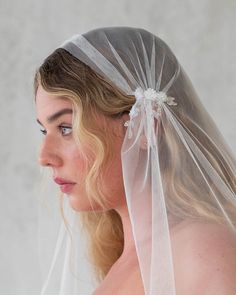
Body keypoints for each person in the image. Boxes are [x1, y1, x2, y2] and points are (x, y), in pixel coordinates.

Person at [34, 27, 236, 295]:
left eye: (66, 128)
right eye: (43, 130)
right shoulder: (125, 261)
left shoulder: (201, 252)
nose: (44, 157)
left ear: (146, 127)